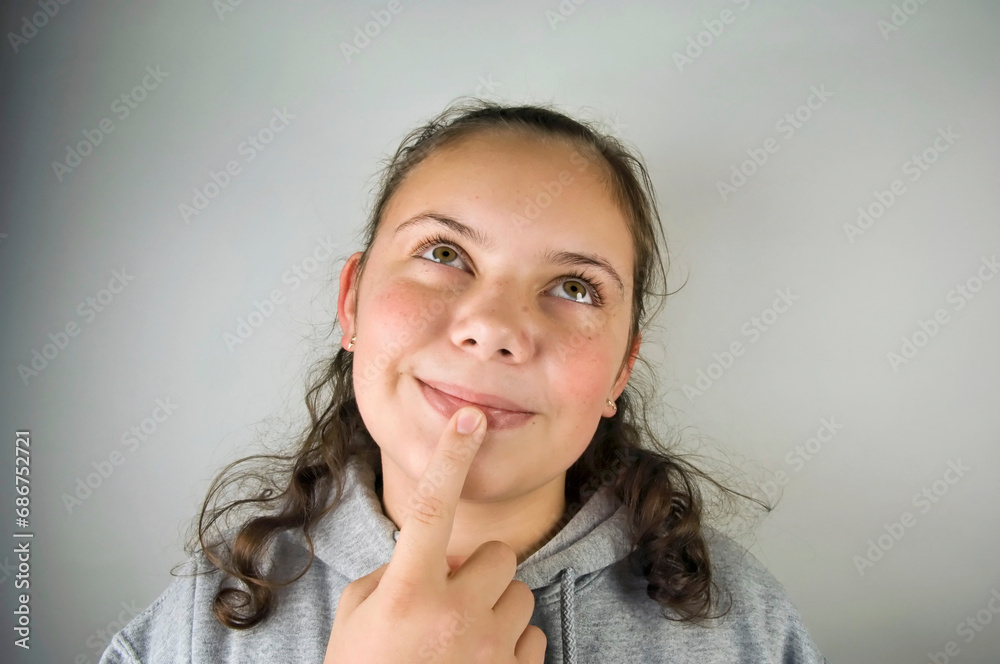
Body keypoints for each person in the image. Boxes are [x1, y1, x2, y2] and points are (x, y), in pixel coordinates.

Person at [99, 99, 827, 663]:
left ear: (620, 369)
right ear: (351, 301)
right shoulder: (199, 626)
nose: (495, 326)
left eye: (574, 287)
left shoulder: (744, 625)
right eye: (444, 252)